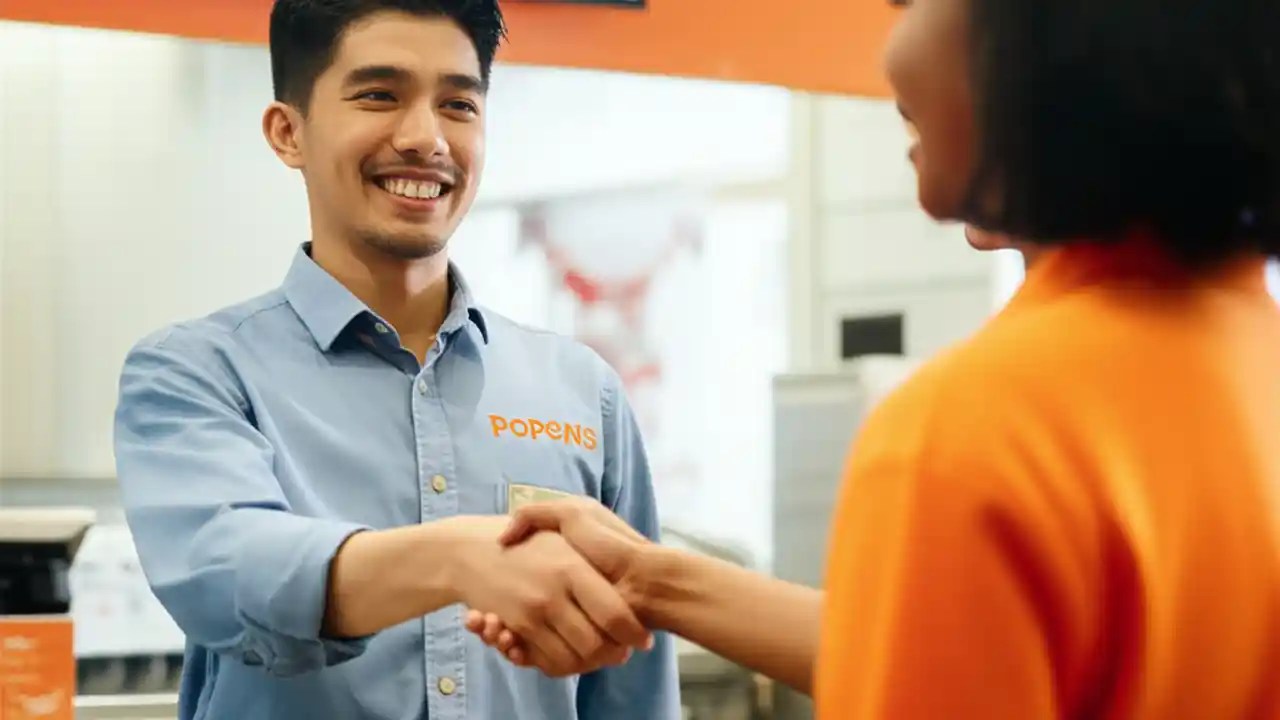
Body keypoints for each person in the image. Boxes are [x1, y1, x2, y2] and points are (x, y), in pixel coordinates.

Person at [466, 0, 1280, 717]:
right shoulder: (1246, 362)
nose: (889, 57)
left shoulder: (976, 431)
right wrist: (653, 580)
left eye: (912, 3)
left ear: (1050, 44)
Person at [112, 1, 679, 719]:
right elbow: (228, 571)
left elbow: (632, 690)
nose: (425, 138)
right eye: (380, 95)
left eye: (458, 105)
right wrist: (456, 559)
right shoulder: (197, 373)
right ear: (288, 132)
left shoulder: (581, 390)